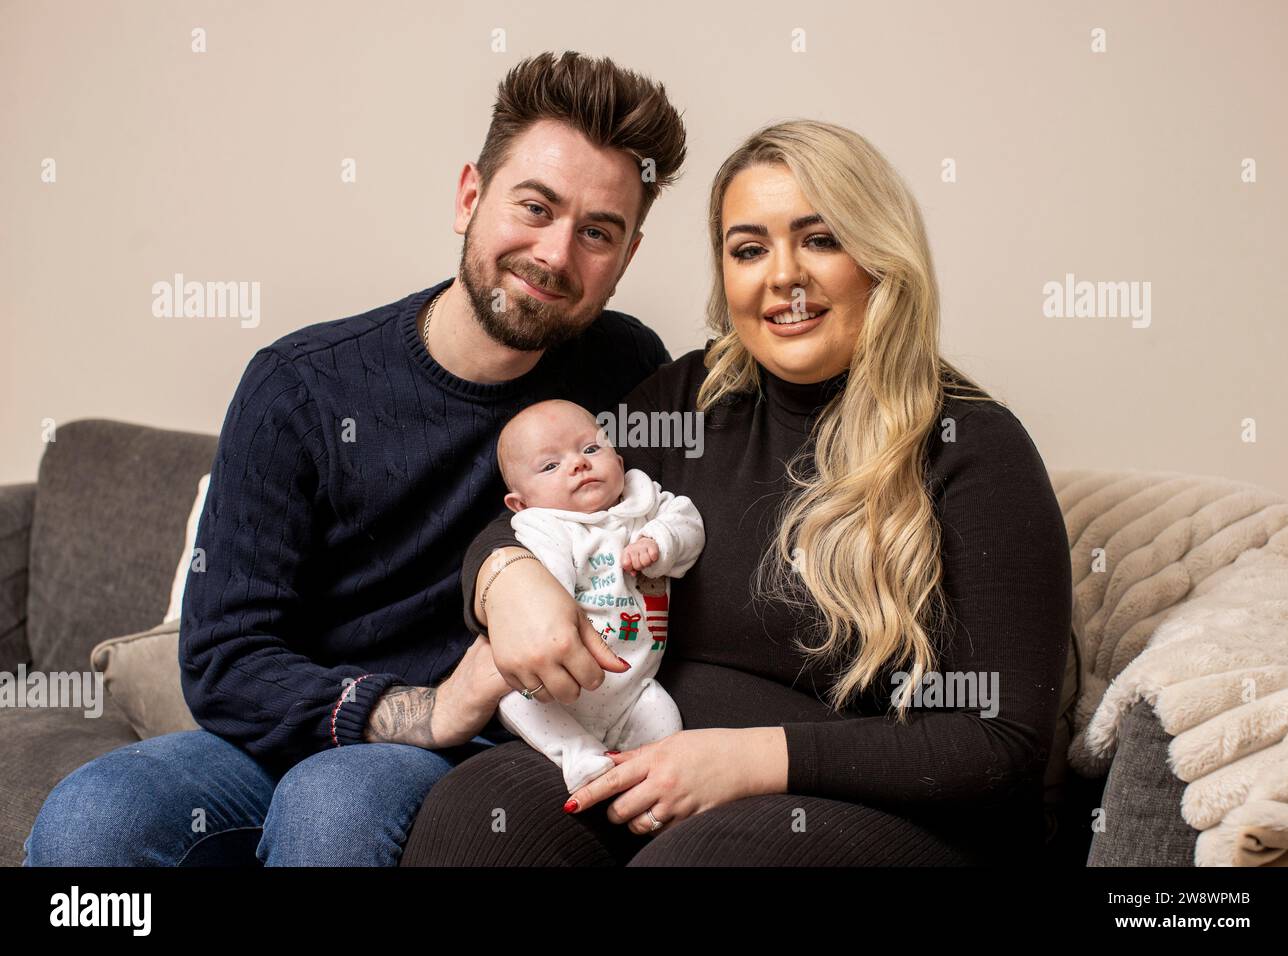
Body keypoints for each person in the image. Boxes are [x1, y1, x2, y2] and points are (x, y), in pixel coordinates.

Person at [22, 51, 687, 867]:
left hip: (510, 742)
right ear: (469, 197)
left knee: (333, 806)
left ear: (627, 257)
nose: (555, 254)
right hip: (299, 732)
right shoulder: (300, 387)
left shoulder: (627, 372)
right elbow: (225, 661)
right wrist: (429, 705)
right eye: (535, 207)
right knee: (92, 818)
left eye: (597, 233)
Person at [397, 119, 1074, 866]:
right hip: (654, 752)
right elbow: (541, 499)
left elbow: (1000, 740)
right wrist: (505, 577)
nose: (782, 276)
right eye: (749, 250)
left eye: (820, 239)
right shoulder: (689, 400)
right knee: (479, 816)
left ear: (882, 256)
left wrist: (749, 761)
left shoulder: (972, 445)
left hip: (886, 810)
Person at [493, 399, 705, 793]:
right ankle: (579, 755)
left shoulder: (643, 504)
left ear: (619, 463)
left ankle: (649, 786)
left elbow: (688, 523)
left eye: (591, 449)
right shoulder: (545, 526)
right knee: (514, 702)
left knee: (663, 721)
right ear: (520, 503)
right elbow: (544, 586)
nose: (578, 464)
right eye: (550, 465)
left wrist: (658, 541)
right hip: (558, 689)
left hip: (633, 685)